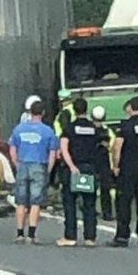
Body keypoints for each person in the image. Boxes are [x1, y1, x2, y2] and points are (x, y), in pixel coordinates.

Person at [57, 98, 106, 247]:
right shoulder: (94, 128)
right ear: (86, 110)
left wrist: (71, 166)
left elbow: (64, 149)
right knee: (89, 204)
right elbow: (102, 146)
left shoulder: (69, 128)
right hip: (90, 168)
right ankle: (90, 237)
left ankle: (70, 237)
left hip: (73, 168)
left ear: (74, 110)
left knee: (70, 203)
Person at [9, 100, 58, 244]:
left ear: (30, 112)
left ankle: (19, 234)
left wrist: (16, 164)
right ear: (43, 113)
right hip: (39, 165)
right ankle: (31, 234)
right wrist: (48, 169)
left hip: (23, 164)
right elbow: (52, 153)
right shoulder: (48, 131)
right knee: (36, 202)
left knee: (21, 201)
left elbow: (13, 149)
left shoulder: (18, 129)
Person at [111, 96, 138, 248]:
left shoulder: (125, 125)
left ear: (130, 107)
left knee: (124, 201)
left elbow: (117, 146)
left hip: (128, 167)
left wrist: (116, 165)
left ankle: (122, 236)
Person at [91, 106, 115, 221]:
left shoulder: (89, 130)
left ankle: (92, 210)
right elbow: (113, 147)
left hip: (93, 162)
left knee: (92, 188)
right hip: (103, 163)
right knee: (105, 189)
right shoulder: (108, 131)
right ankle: (107, 212)